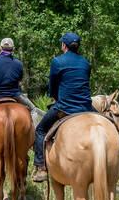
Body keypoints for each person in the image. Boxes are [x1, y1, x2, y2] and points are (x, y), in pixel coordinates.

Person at [31, 31, 95, 182]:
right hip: (86, 106)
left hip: (64, 107)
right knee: (106, 119)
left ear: (64, 46)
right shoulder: (85, 62)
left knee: (40, 130)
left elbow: (52, 85)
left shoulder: (57, 61)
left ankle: (41, 168)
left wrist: (54, 97)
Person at [0, 37, 41, 155]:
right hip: (15, 95)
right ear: (13, 49)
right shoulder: (18, 63)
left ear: (0, 48)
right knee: (33, 109)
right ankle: (36, 141)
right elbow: (18, 82)